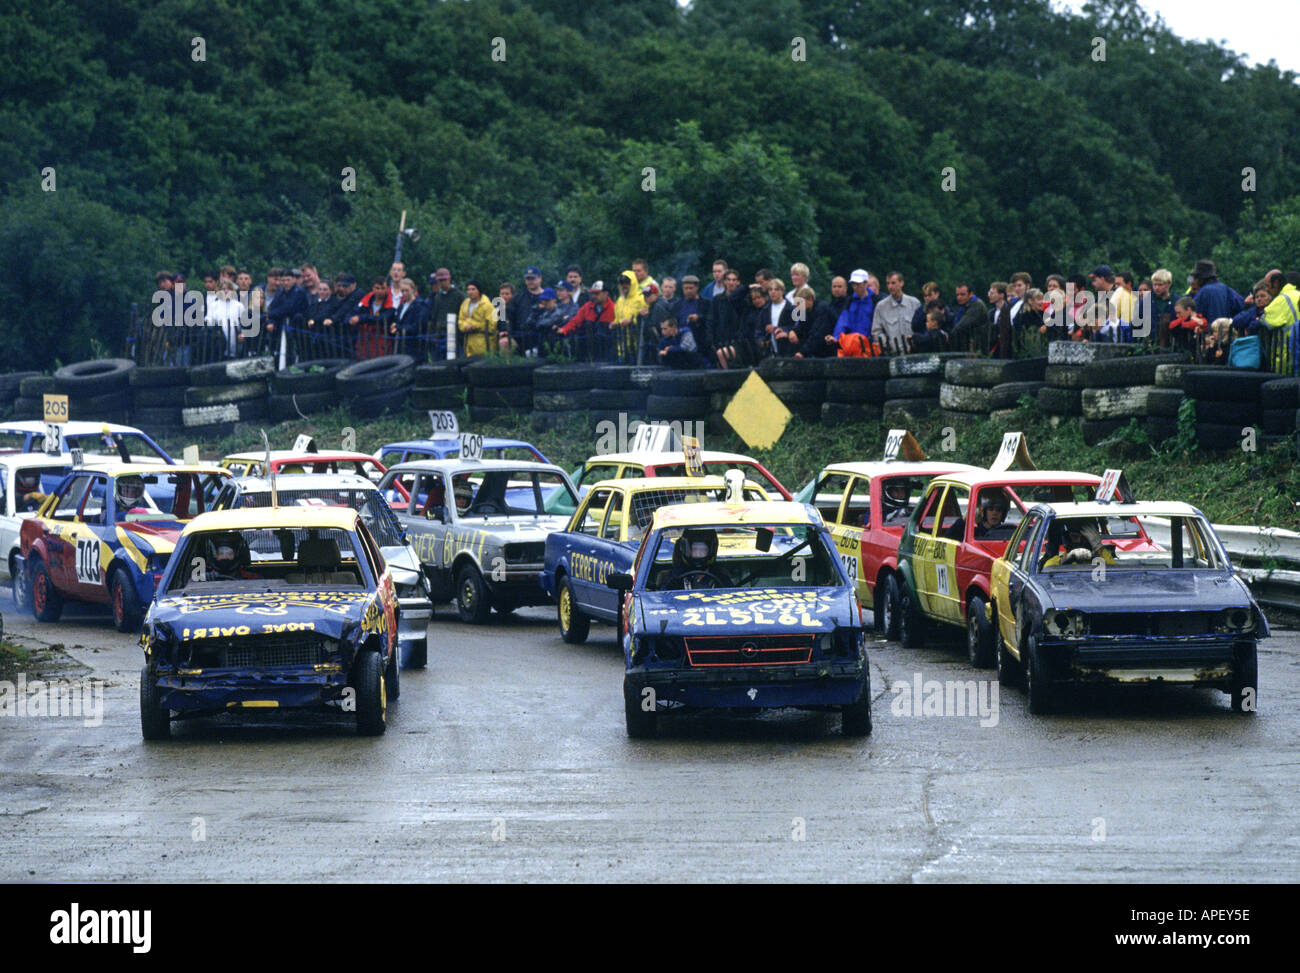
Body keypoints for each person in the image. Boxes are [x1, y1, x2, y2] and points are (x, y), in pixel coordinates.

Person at [660, 528, 734, 590]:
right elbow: (663, 599)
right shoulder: (675, 576)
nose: (698, 554)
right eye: (694, 549)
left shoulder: (720, 576)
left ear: (711, 550)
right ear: (686, 549)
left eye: (703, 549)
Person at [873, 271, 921, 356]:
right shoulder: (881, 306)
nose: (890, 286)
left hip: (914, 353)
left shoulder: (914, 303)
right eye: (888, 283)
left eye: (893, 283)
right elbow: (876, 331)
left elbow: (922, 327)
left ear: (901, 283)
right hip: (893, 354)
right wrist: (887, 343)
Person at [831, 269, 877, 356]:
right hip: (850, 346)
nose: (855, 287)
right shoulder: (849, 301)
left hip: (869, 348)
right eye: (853, 284)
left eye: (858, 284)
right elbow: (843, 322)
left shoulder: (875, 301)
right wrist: (836, 337)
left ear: (866, 283)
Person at [1191, 259, 1244, 325]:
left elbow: (1193, 314)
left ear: (1200, 278)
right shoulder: (1225, 288)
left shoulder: (1202, 292)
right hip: (1226, 331)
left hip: (1209, 332)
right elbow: (1240, 305)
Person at [1042, 521, 1116, 567]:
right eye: (1075, 537)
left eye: (1085, 538)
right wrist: (1067, 559)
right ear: (1068, 539)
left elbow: (1116, 572)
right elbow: (1047, 569)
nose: (1081, 541)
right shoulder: (1057, 561)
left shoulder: (1102, 554)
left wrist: (1098, 548)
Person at [943, 492, 1008, 541]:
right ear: (983, 512)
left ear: (1003, 514)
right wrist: (964, 520)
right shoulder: (973, 532)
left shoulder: (1007, 531)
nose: (995, 513)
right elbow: (948, 538)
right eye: (991, 509)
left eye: (998, 510)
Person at [457, 281, 497, 357]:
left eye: (473, 289)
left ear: (479, 291)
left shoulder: (488, 306)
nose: (470, 292)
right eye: (468, 289)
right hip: (468, 346)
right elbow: (460, 321)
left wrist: (472, 324)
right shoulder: (465, 303)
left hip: (484, 346)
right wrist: (465, 326)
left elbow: (492, 325)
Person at [950, 282, 989, 352]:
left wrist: (951, 335)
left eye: (962, 294)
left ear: (971, 294)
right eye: (957, 295)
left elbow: (961, 326)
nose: (959, 297)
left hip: (975, 348)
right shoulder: (965, 306)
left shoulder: (977, 305)